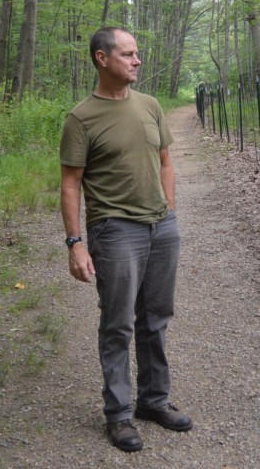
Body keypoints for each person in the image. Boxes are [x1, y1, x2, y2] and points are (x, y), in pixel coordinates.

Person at [59, 26, 193, 452]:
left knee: (156, 318)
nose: (137, 61)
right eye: (128, 54)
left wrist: (169, 211)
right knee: (118, 324)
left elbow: (166, 162)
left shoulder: (150, 106)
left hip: (161, 228)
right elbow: (69, 184)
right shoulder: (82, 118)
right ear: (102, 59)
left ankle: (154, 401)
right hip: (115, 232)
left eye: (137, 54)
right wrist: (75, 243)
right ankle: (118, 415)